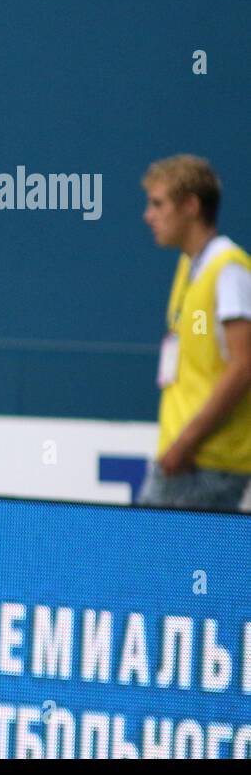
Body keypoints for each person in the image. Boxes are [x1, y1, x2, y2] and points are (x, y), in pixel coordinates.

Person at [139, 154, 251, 511]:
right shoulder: (190, 266)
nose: (149, 215)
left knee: (150, 558)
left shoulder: (229, 270)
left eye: (158, 204)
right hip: (187, 456)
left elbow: (243, 366)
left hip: (205, 459)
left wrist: (185, 443)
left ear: (190, 205)